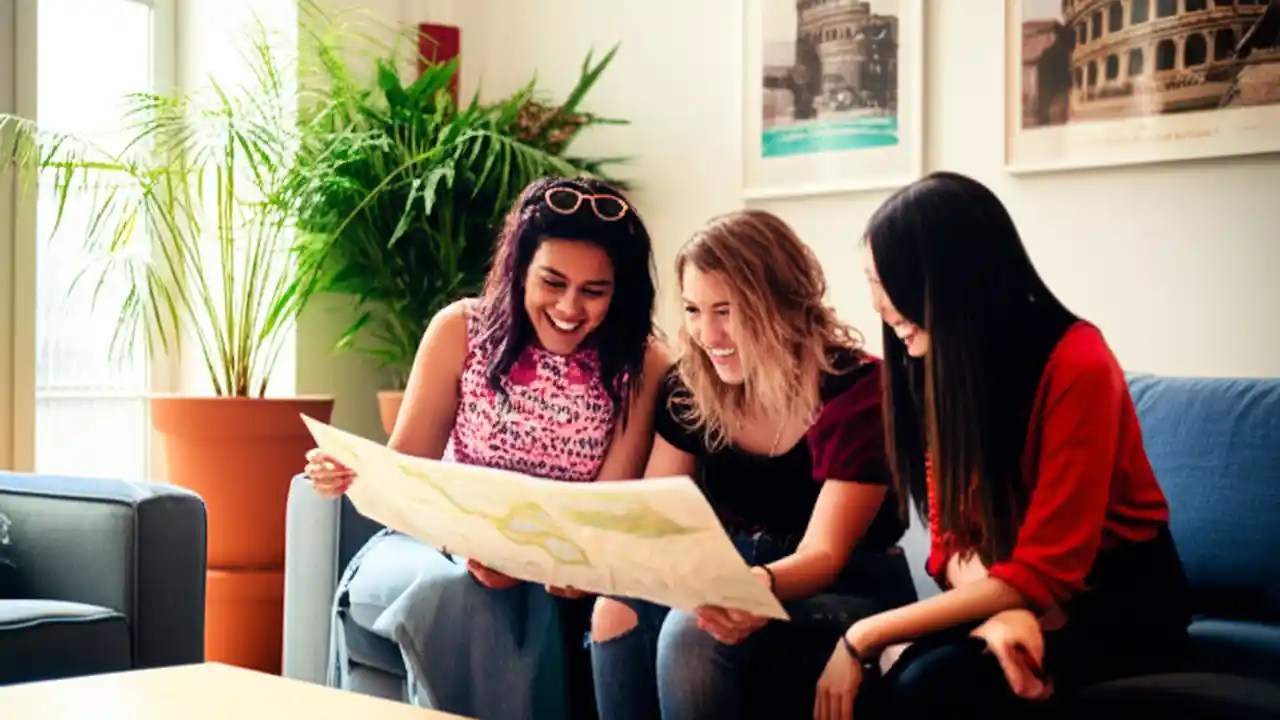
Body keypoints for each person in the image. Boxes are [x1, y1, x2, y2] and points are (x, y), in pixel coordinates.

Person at [812, 172, 1190, 720]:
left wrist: (862, 635)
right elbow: (948, 546)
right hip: (1016, 589)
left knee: (923, 683)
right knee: (891, 676)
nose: (879, 304)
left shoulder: (1078, 362)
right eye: (872, 278)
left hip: (1115, 604)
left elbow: (1049, 570)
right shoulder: (941, 362)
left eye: (888, 278)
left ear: (954, 277)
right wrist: (1004, 609)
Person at [303, 176, 671, 720]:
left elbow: (602, 512)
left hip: (553, 561)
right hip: (434, 544)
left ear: (620, 292)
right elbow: (406, 474)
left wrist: (526, 562)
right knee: (455, 591)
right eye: (552, 281)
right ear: (518, 269)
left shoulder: (643, 363)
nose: (571, 306)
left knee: (490, 601)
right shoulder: (460, 329)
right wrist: (344, 469)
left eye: (595, 290)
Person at [591, 209, 917, 720]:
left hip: (847, 583)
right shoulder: (690, 384)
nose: (708, 334)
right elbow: (656, 518)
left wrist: (748, 587)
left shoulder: (858, 392)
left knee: (687, 634)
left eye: (726, 310)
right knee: (615, 610)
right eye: (695, 310)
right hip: (731, 566)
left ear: (781, 302)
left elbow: (825, 554)